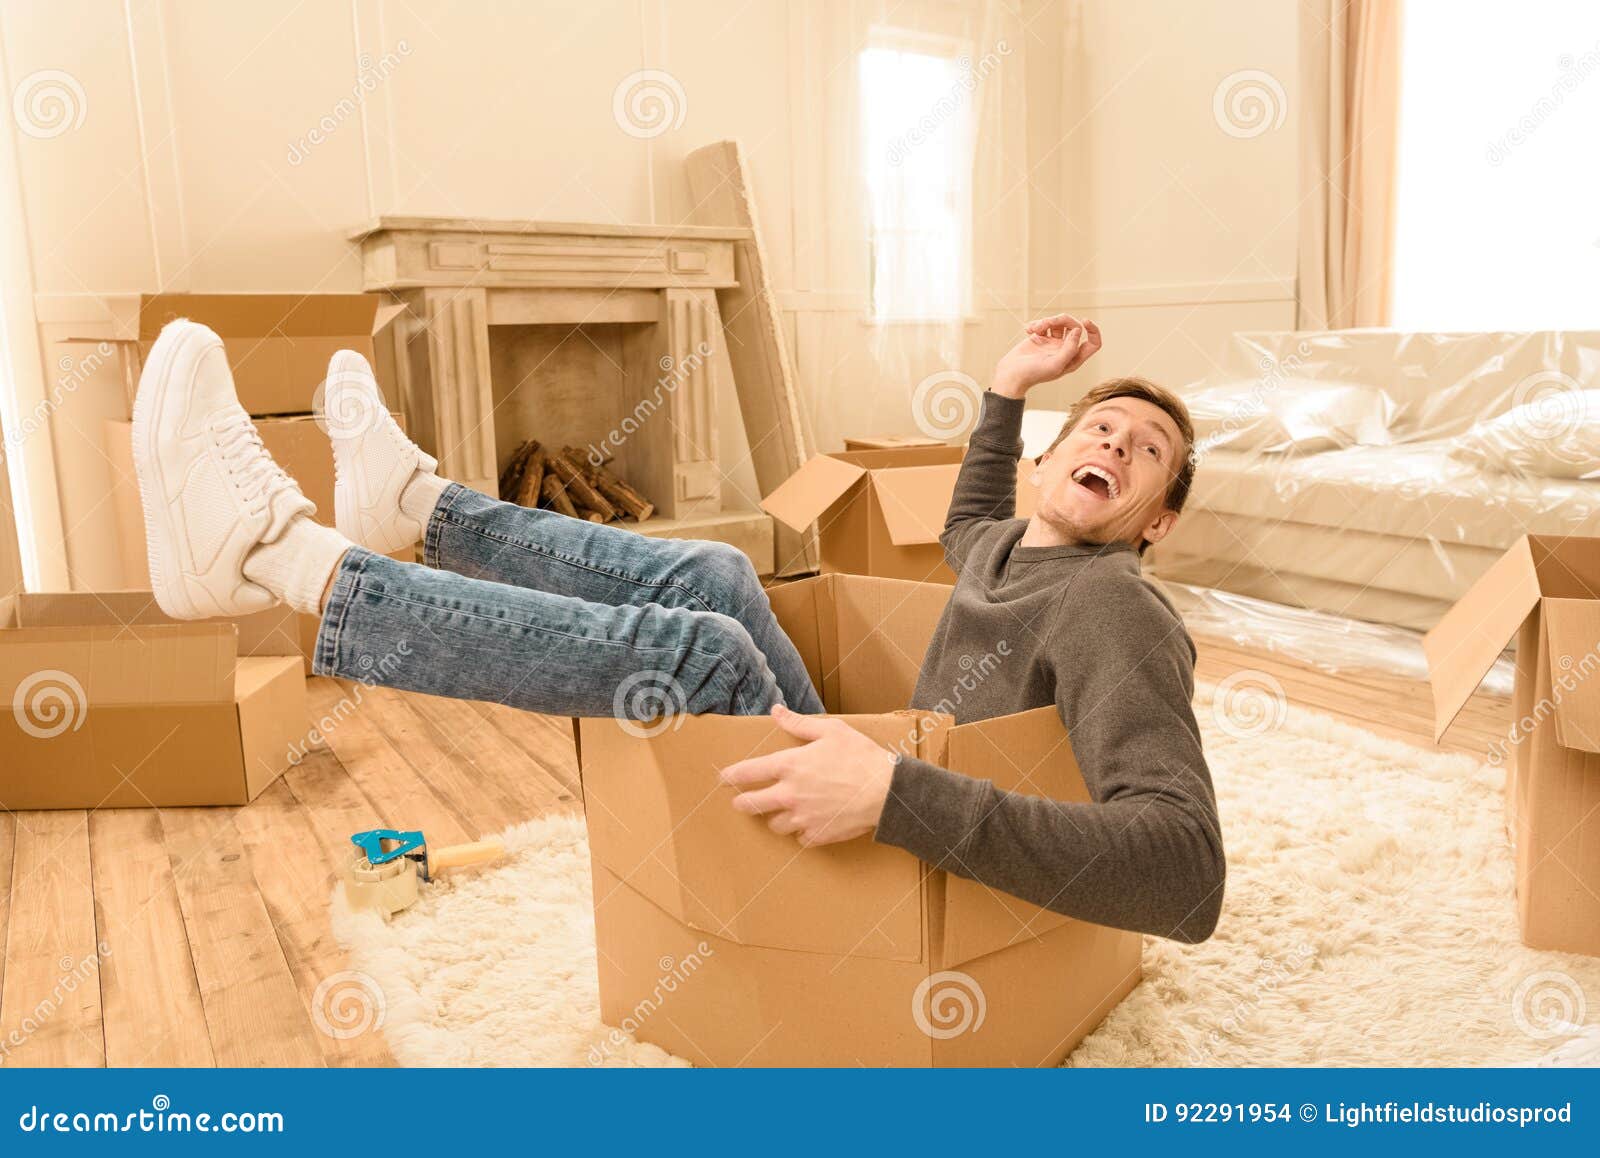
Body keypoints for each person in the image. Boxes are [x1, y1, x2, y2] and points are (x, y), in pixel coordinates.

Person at [133, 312, 1222, 943]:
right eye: (1098, 427)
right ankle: (419, 507)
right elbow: (972, 513)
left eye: (1145, 454)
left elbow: (1183, 874)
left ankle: (279, 558)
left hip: (920, 866)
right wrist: (1007, 385)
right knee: (716, 571)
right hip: (886, 778)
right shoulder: (1008, 547)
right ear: (1044, 459)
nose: (1116, 446)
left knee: (705, 651)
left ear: (1157, 521)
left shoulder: (1114, 606)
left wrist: (898, 793)